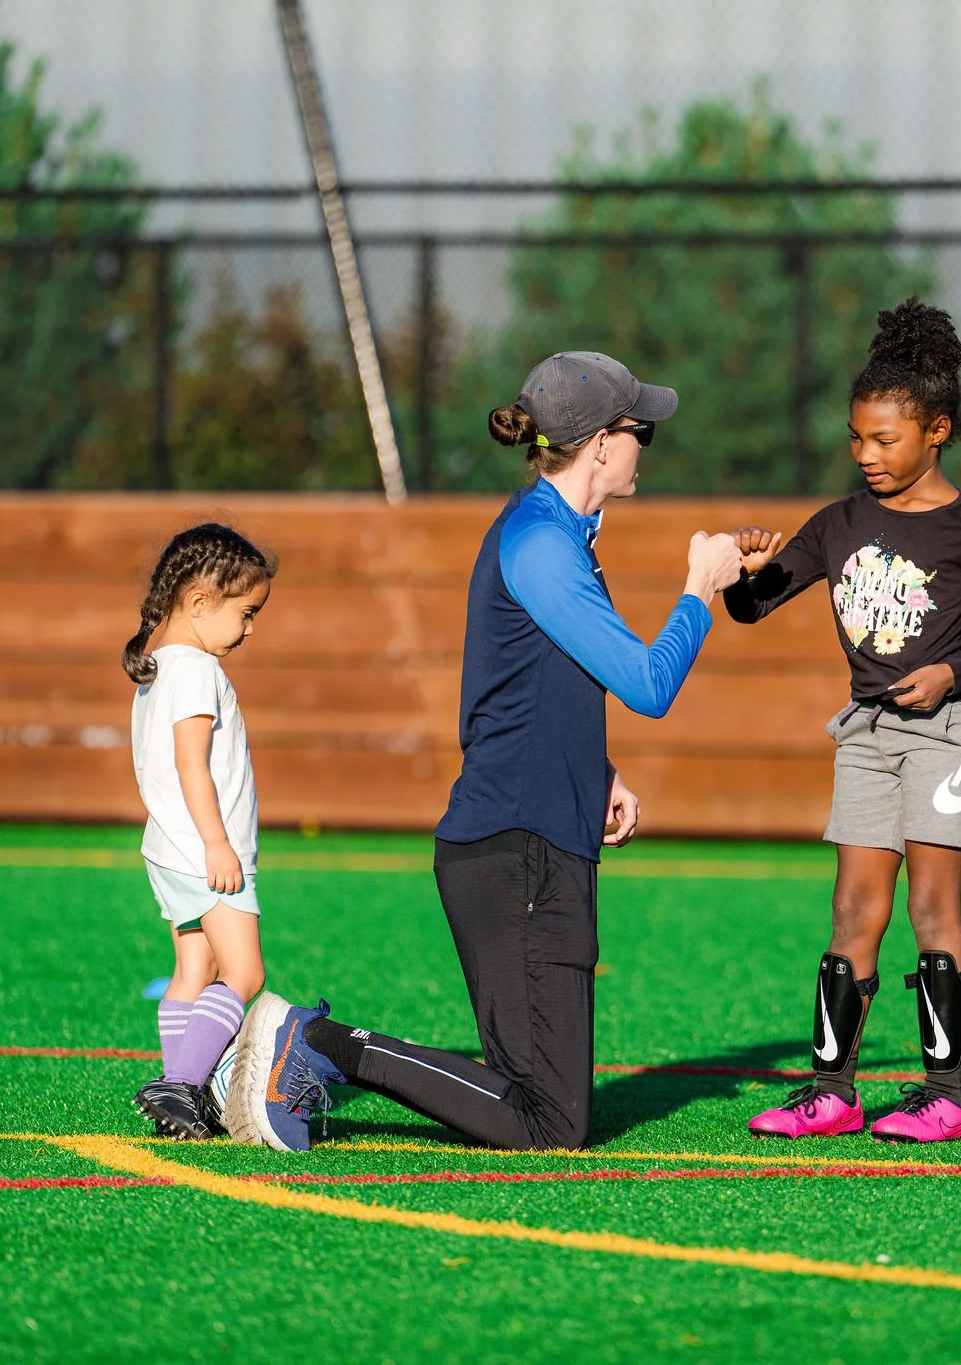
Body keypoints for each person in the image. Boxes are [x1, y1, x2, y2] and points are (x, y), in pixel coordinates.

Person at [223, 351, 742, 1152]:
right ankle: (317, 1044)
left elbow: (527, 686)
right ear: (600, 444)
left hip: (525, 845)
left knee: (544, 1108)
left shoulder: (554, 534)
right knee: (550, 1119)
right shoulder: (540, 543)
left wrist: (597, 772)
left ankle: (316, 1045)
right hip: (518, 852)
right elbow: (647, 683)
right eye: (641, 430)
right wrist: (699, 589)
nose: (647, 444)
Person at [725, 299, 961, 1144]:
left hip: (952, 735)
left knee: (933, 908)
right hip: (864, 737)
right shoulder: (839, 522)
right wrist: (744, 571)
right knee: (853, 910)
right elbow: (752, 608)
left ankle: (947, 1096)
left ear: (937, 430)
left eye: (884, 440)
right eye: (857, 439)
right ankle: (832, 1092)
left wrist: (952, 672)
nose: (866, 455)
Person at [122, 523, 277, 1140]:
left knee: (194, 970)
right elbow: (191, 763)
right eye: (246, 613)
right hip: (204, 851)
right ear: (200, 603)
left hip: (168, 849)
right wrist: (218, 843)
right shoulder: (196, 672)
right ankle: (181, 1085)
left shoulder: (160, 667)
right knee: (245, 976)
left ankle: (175, 1100)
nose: (248, 629)